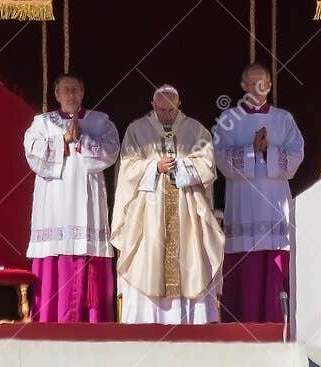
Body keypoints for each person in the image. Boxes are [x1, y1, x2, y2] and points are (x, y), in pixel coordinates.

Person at [111, 86, 224, 324]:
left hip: (187, 210)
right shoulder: (137, 130)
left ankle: (190, 322)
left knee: (191, 257)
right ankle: (147, 321)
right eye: (161, 110)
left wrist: (180, 166)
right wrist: (154, 166)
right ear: (152, 105)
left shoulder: (196, 130)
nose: (166, 115)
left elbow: (208, 165)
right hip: (149, 212)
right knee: (148, 259)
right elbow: (127, 169)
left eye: (171, 110)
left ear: (179, 105)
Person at [22, 74, 120, 323]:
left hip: (88, 203)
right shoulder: (42, 123)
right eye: (65, 90)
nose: (71, 94)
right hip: (54, 205)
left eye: (75, 89)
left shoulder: (100, 121)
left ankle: (93, 322)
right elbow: (32, 151)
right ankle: (50, 321)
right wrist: (63, 140)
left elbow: (111, 150)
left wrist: (82, 141)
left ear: (82, 92)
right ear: (56, 95)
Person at [214, 64, 305, 323]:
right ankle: (243, 323)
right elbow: (220, 158)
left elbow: (297, 155)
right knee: (247, 269)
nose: (258, 88)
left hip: (275, 200)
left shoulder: (283, 119)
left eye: (263, 83)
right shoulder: (228, 120)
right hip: (243, 201)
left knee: (276, 260)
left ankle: (279, 322)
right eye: (252, 83)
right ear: (243, 86)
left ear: (270, 86)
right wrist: (251, 149)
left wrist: (267, 152)